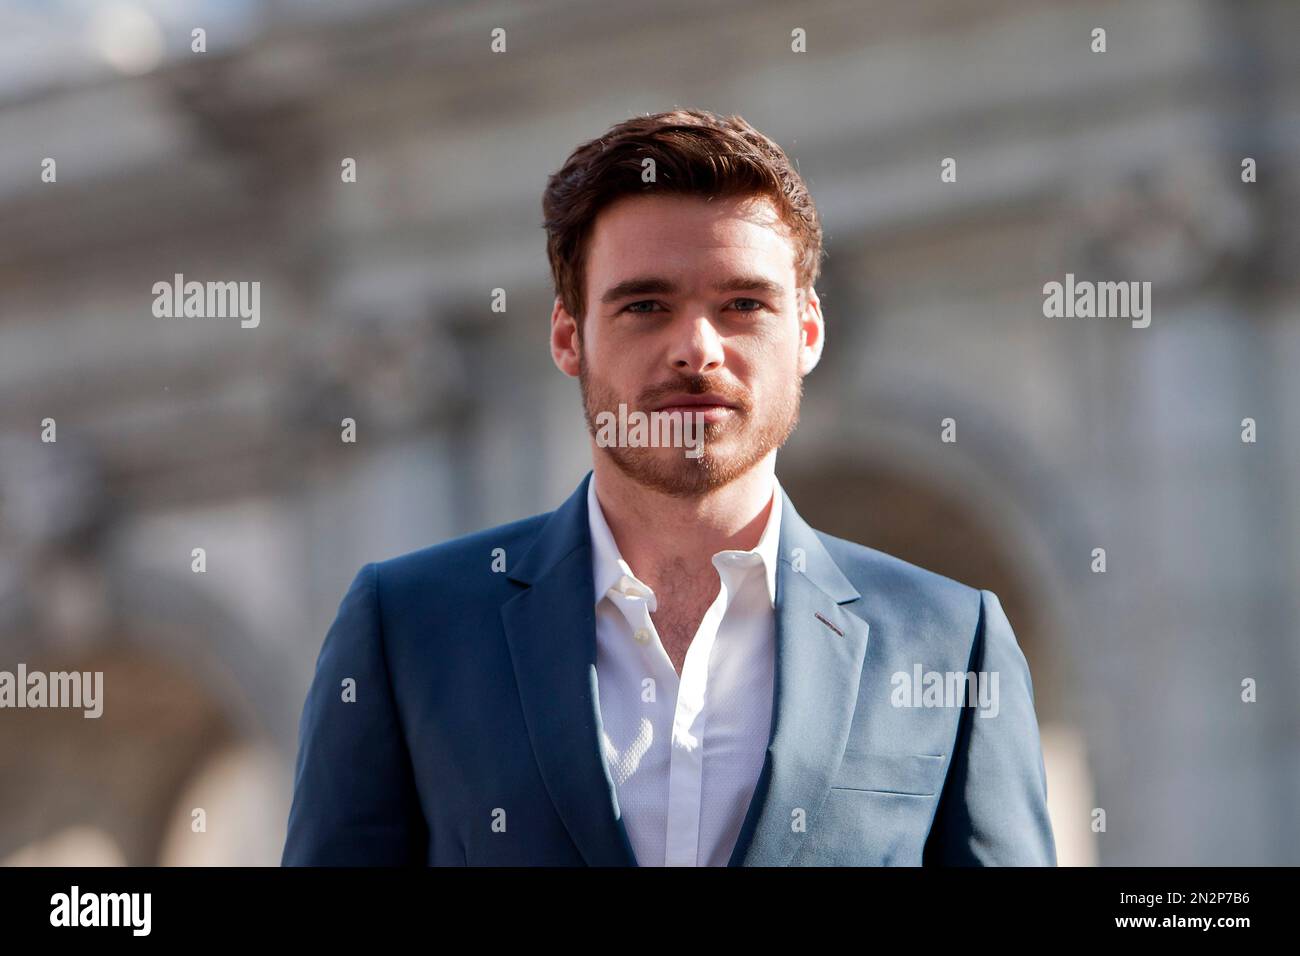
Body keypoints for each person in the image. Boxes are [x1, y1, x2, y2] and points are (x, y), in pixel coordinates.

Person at [282, 108, 1057, 866]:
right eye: (646, 306)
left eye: (743, 304)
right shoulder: (407, 630)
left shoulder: (951, 644)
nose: (697, 349)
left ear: (808, 333)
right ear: (568, 337)